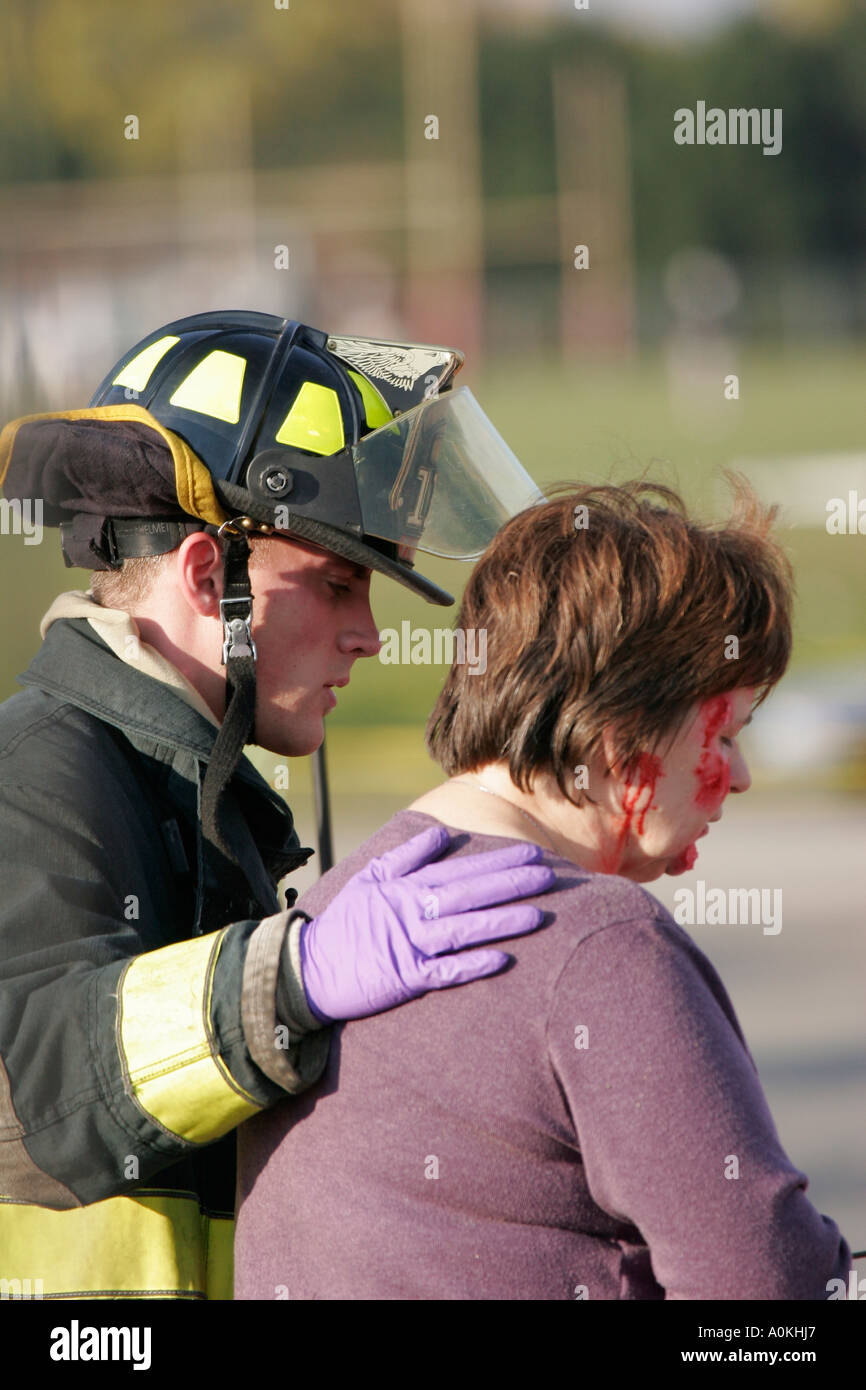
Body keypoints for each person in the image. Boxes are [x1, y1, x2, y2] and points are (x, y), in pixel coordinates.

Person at [0, 310, 554, 1300]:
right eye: (340, 583)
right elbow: (29, 1087)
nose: (370, 636)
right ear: (213, 577)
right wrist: (287, 976)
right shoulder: (41, 775)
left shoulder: (192, 792)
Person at [235, 477, 853, 1301]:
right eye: (725, 732)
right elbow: (766, 1294)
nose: (737, 777)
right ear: (620, 730)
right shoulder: (600, 947)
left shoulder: (337, 910)